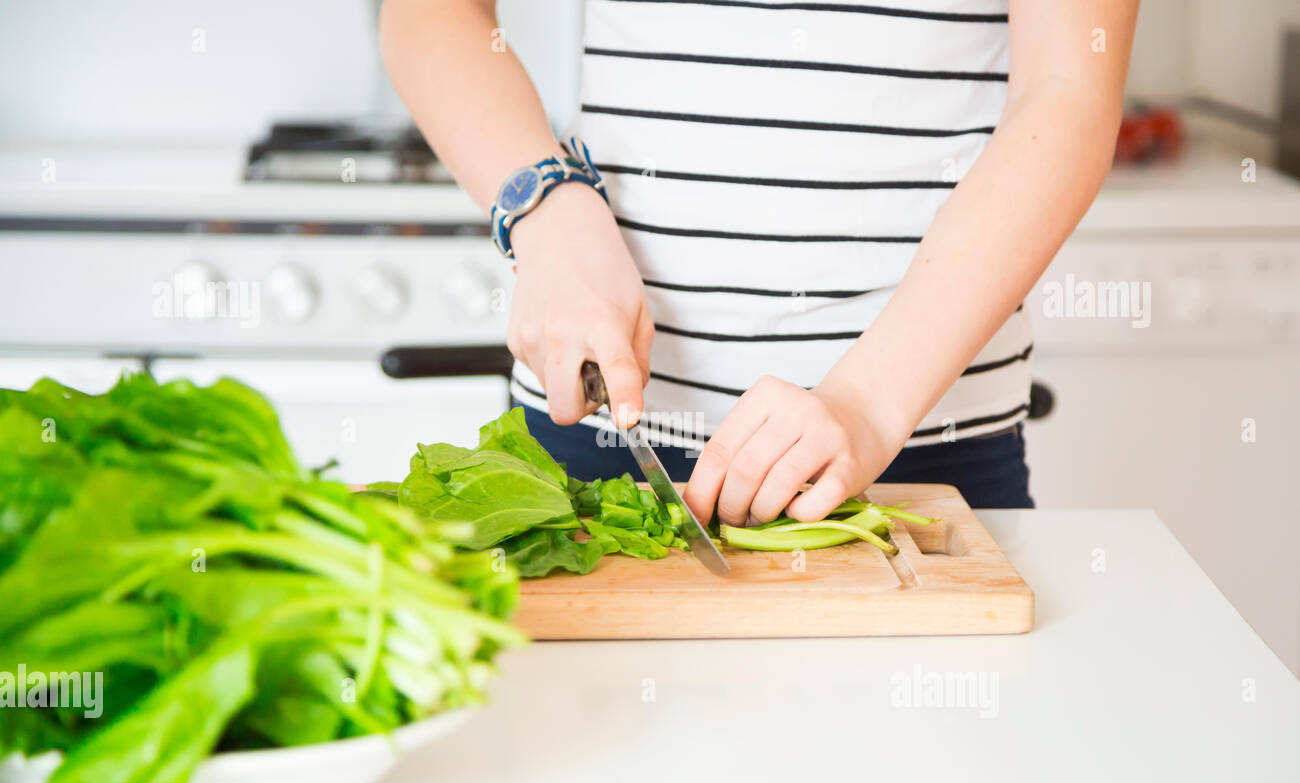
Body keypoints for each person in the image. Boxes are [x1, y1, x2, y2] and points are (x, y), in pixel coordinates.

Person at [381, 0, 1138, 523]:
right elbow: (430, 14)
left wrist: (869, 405)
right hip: (593, 427)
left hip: (919, 455)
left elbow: (1068, 86)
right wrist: (548, 211)